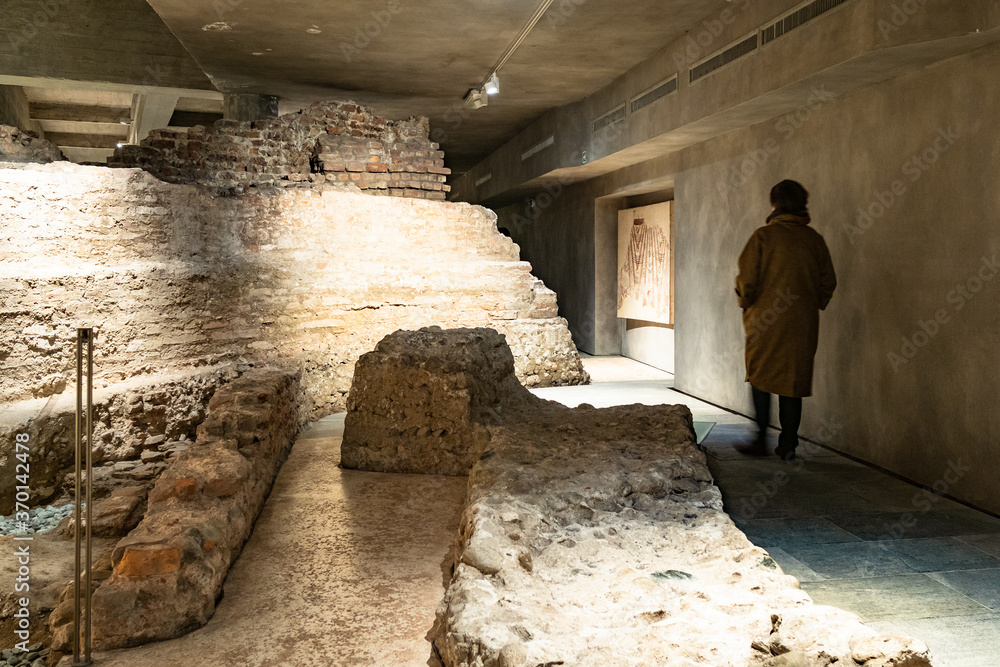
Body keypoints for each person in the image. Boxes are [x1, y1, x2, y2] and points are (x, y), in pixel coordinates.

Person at [734, 180, 836, 461]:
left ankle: (759, 440)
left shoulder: (763, 237)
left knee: (761, 379)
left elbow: (747, 281)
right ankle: (788, 444)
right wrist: (810, 304)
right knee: (792, 384)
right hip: (802, 324)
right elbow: (828, 281)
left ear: (774, 205)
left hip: (765, 323)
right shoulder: (814, 239)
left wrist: (745, 302)